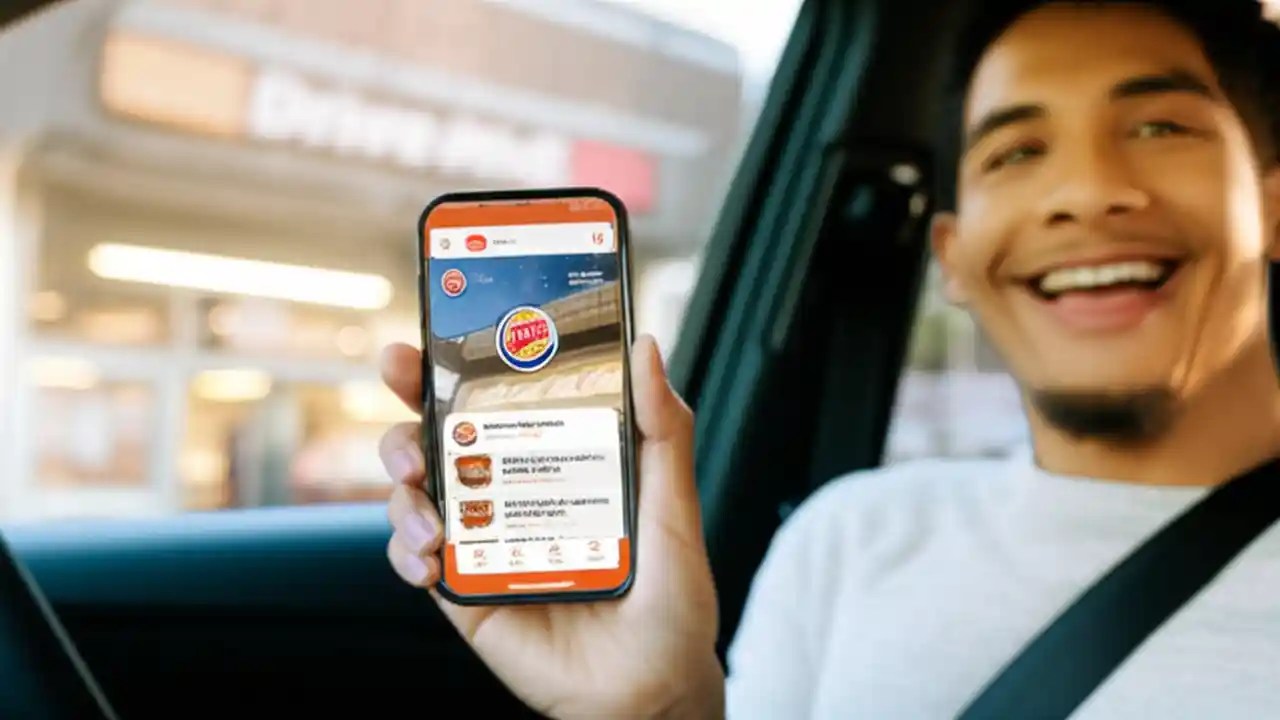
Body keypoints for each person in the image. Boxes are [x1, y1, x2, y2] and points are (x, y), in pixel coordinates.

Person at [379, 0, 1280, 716]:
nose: (1085, 193)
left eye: (1162, 128)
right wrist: (659, 713)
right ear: (952, 257)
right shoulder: (844, 539)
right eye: (1018, 151)